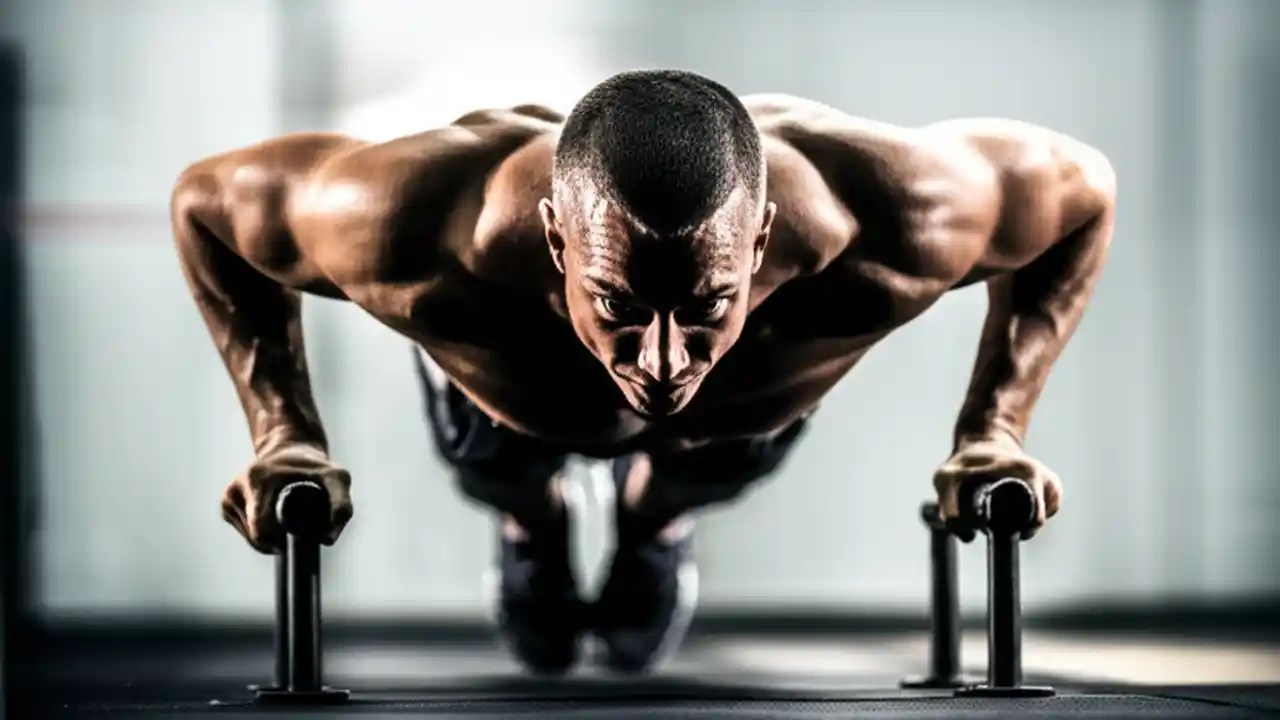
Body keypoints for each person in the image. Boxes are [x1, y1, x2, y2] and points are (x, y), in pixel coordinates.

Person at [170, 69, 1116, 675]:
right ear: (554, 241)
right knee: (503, 470)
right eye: (620, 305)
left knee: (708, 451)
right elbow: (208, 209)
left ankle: (654, 517)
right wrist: (284, 433)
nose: (662, 360)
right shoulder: (415, 220)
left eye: (704, 308)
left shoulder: (892, 214)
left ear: (758, 242)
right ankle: (531, 524)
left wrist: (993, 428)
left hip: (735, 422)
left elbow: (1082, 197)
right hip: (511, 405)